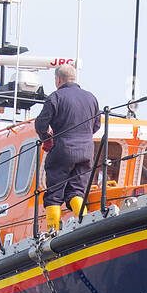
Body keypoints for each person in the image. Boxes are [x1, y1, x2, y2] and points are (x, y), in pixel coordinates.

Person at [34, 63, 101, 230]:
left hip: (62, 149)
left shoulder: (55, 97)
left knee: (54, 195)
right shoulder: (91, 98)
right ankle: (85, 226)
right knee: (77, 191)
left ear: (58, 79)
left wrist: (46, 138)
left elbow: (40, 124)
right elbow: (97, 125)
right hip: (86, 151)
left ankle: (52, 231)